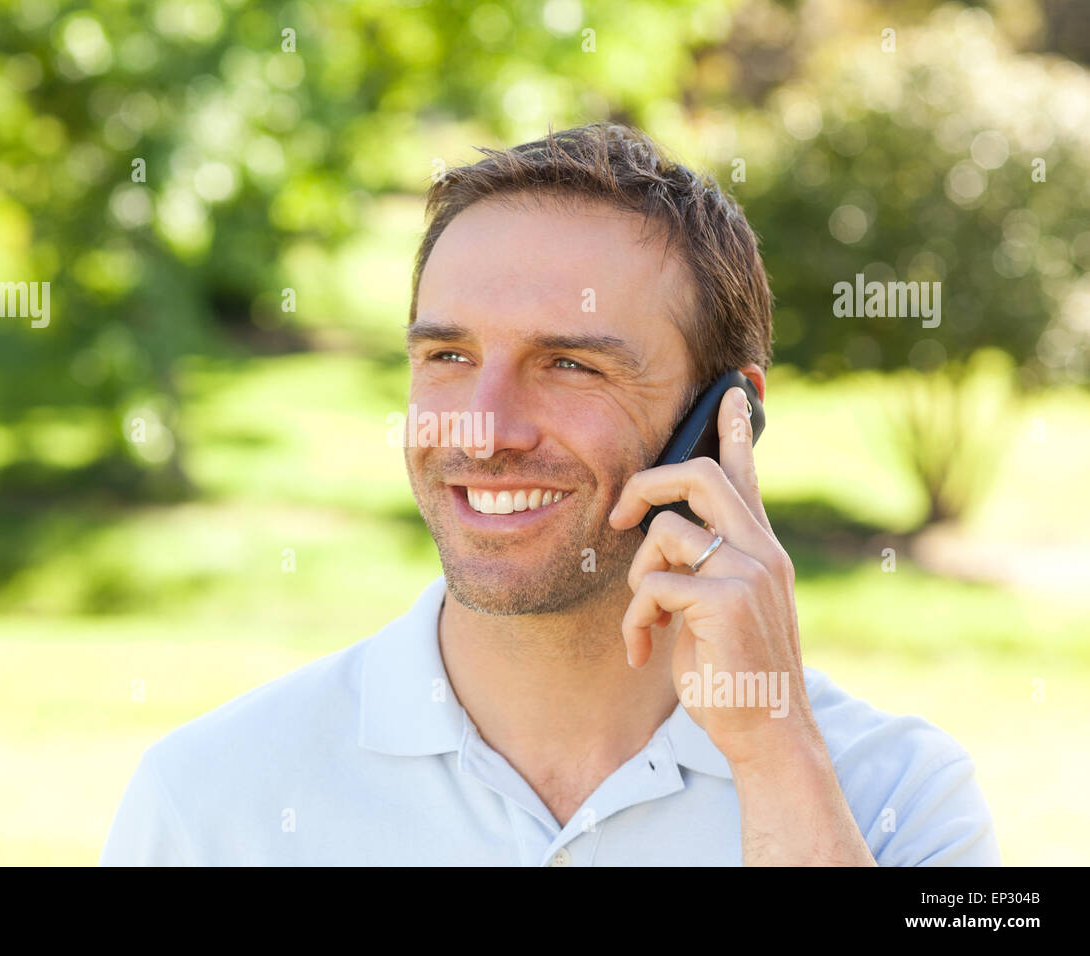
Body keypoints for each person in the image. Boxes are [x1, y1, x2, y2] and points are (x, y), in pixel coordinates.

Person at [100, 123, 1000, 866]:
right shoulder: (210, 801)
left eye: (570, 364)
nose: (483, 431)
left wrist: (775, 759)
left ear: (727, 418)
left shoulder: (897, 800)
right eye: (448, 358)